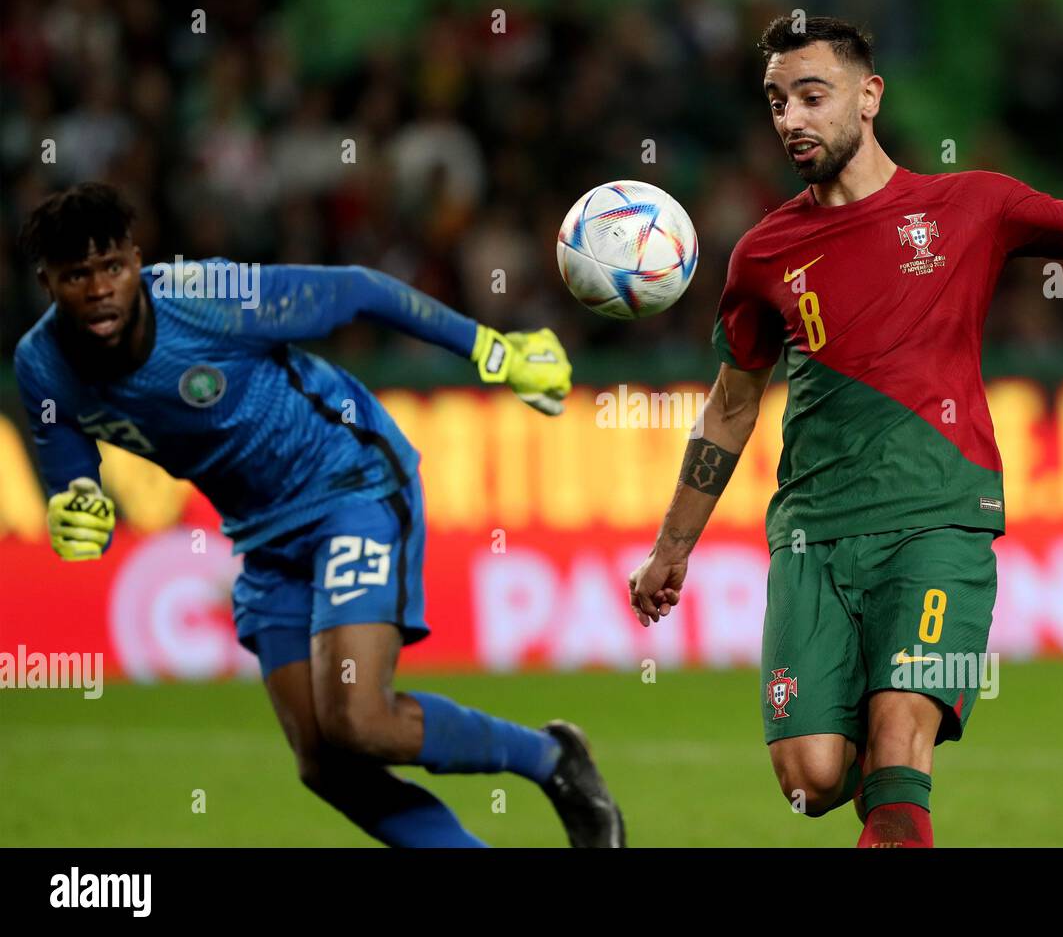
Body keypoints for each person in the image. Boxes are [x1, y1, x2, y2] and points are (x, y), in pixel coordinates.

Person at [627, 14, 1063, 847]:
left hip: (940, 519)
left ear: (870, 96)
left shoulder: (972, 204)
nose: (791, 120)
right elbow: (732, 407)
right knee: (812, 778)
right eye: (777, 102)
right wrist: (672, 547)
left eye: (812, 96)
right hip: (812, 534)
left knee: (898, 742)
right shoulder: (763, 255)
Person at [16, 181, 625, 848]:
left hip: (350, 484)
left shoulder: (210, 297)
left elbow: (360, 289)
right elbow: (67, 453)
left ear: (137, 260)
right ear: (47, 283)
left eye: (112, 267)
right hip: (264, 538)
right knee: (324, 764)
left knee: (359, 721)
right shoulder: (41, 365)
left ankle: (551, 759)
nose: (99, 289)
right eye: (76, 276)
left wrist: (493, 351)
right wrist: (76, 500)